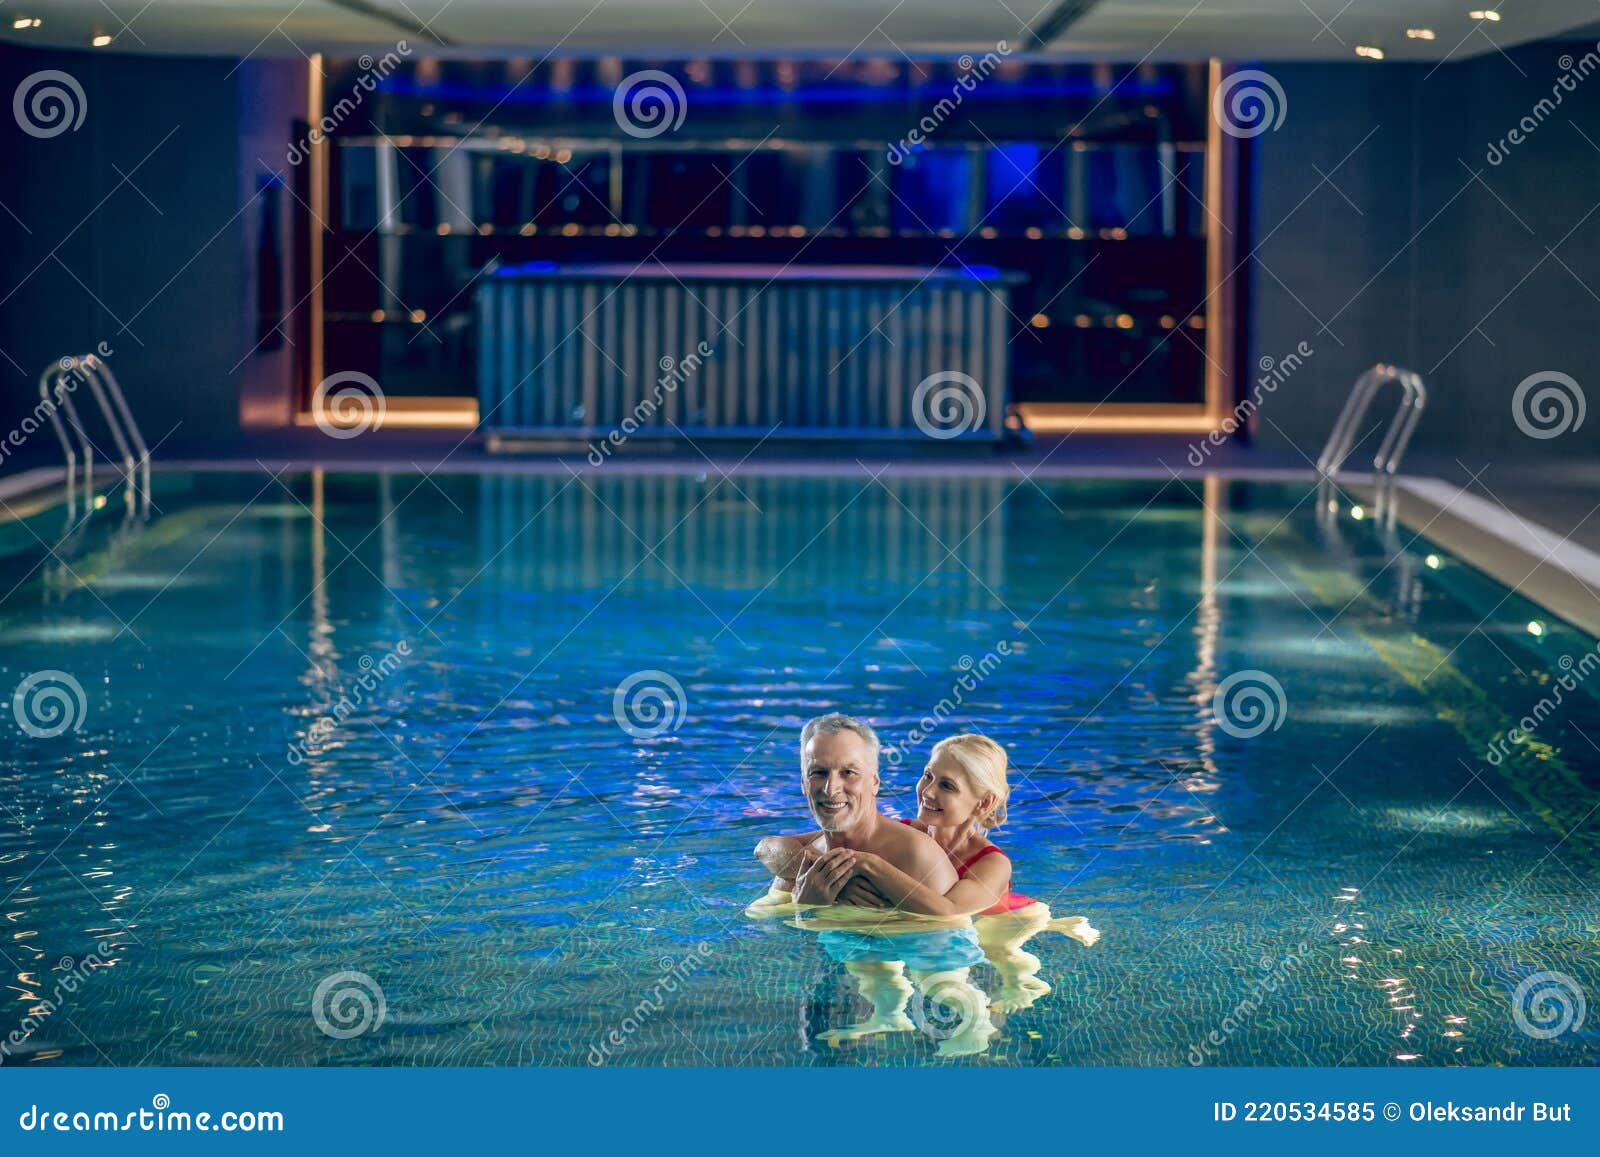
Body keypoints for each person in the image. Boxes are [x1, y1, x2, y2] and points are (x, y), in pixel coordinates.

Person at [748, 713, 998, 1056]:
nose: (830, 787)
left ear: (874, 783)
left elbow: (951, 938)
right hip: (858, 965)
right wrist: (805, 905)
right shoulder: (805, 860)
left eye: (848, 773)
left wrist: (813, 911)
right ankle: (890, 1013)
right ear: (804, 783)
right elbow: (766, 927)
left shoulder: (916, 856)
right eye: (818, 772)